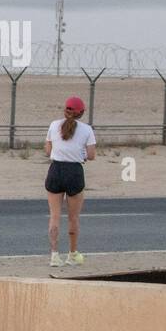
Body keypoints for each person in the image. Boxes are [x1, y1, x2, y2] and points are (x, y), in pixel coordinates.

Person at [45, 96, 96, 267]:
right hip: (74, 171)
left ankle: (54, 255)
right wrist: (79, 154)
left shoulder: (53, 125)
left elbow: (47, 150)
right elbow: (91, 155)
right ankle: (72, 254)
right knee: (73, 217)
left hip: (56, 170)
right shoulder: (87, 130)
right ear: (81, 113)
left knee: (54, 216)